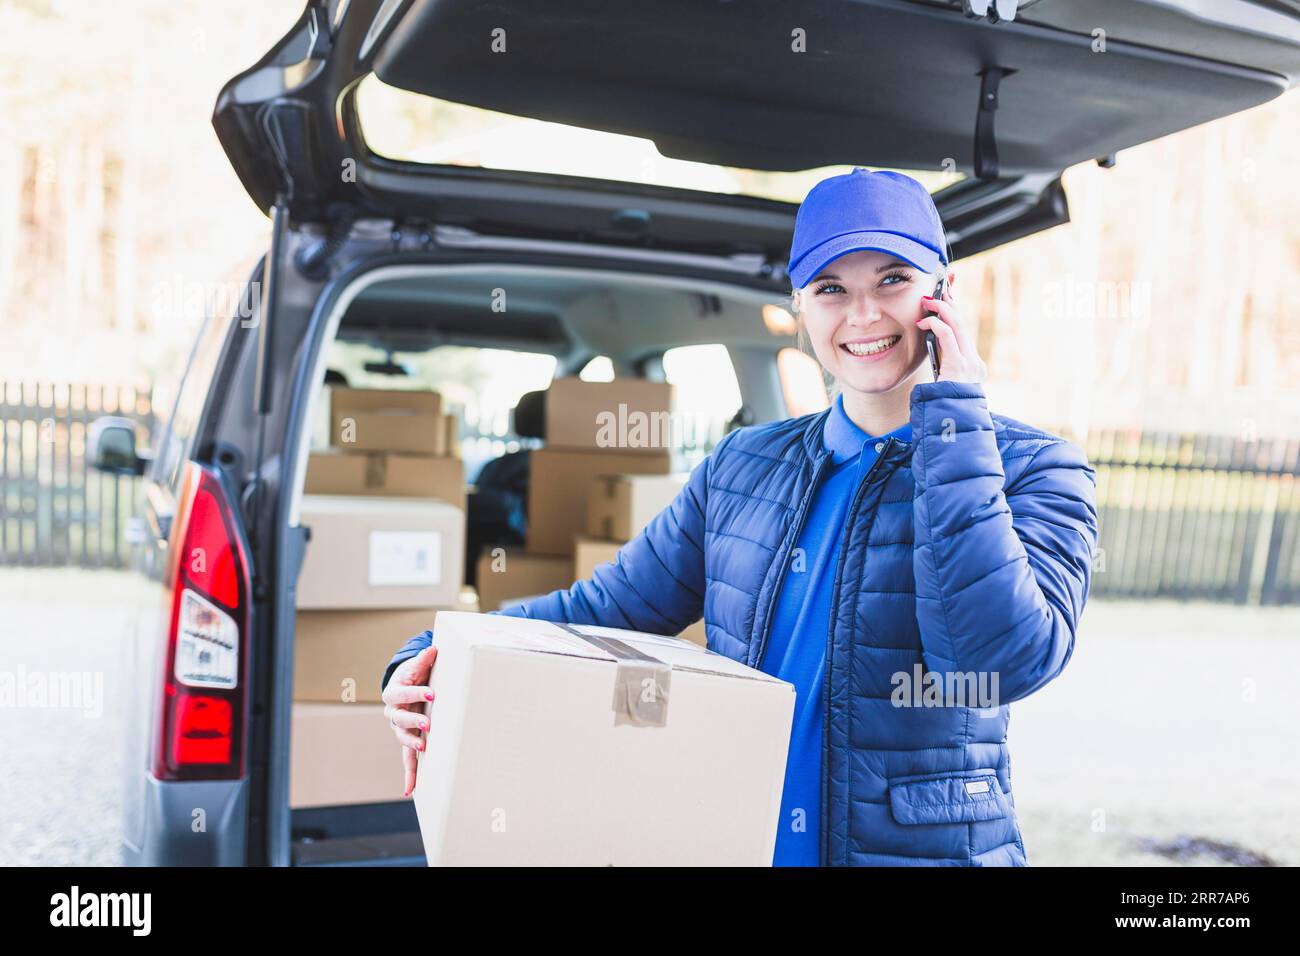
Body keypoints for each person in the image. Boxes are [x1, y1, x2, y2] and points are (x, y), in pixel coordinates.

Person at [380, 168, 1099, 867]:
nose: (864, 315)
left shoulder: (1035, 468)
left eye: (892, 279)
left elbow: (993, 664)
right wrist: (437, 651)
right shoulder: (742, 467)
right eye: (831, 290)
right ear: (799, 306)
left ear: (944, 290)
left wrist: (954, 429)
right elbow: (603, 610)